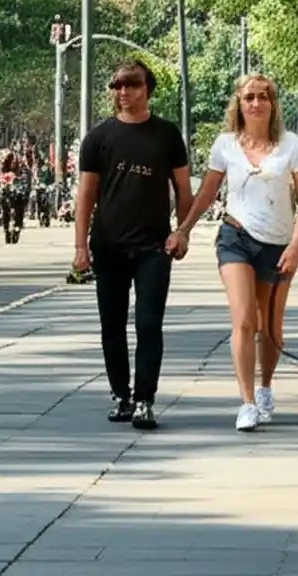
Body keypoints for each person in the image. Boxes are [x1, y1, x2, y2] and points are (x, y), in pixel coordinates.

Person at [170, 74, 298, 432]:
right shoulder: (225, 145)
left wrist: (295, 246)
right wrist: (183, 230)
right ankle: (247, 401)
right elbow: (207, 193)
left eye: (264, 97)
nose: (256, 103)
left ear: (273, 104)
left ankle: (266, 387)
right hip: (235, 237)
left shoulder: (291, 145)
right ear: (239, 103)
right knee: (245, 320)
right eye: (249, 97)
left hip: (278, 244)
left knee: (271, 328)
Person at [75, 60, 193, 429]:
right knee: (111, 324)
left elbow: (183, 191)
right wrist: (81, 247)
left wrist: (183, 231)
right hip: (108, 245)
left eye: (132, 85)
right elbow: (86, 196)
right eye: (117, 86)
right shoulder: (97, 138)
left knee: (148, 322)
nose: (123, 93)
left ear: (148, 89)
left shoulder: (166, 135)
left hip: (153, 247)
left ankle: (145, 399)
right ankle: (120, 395)